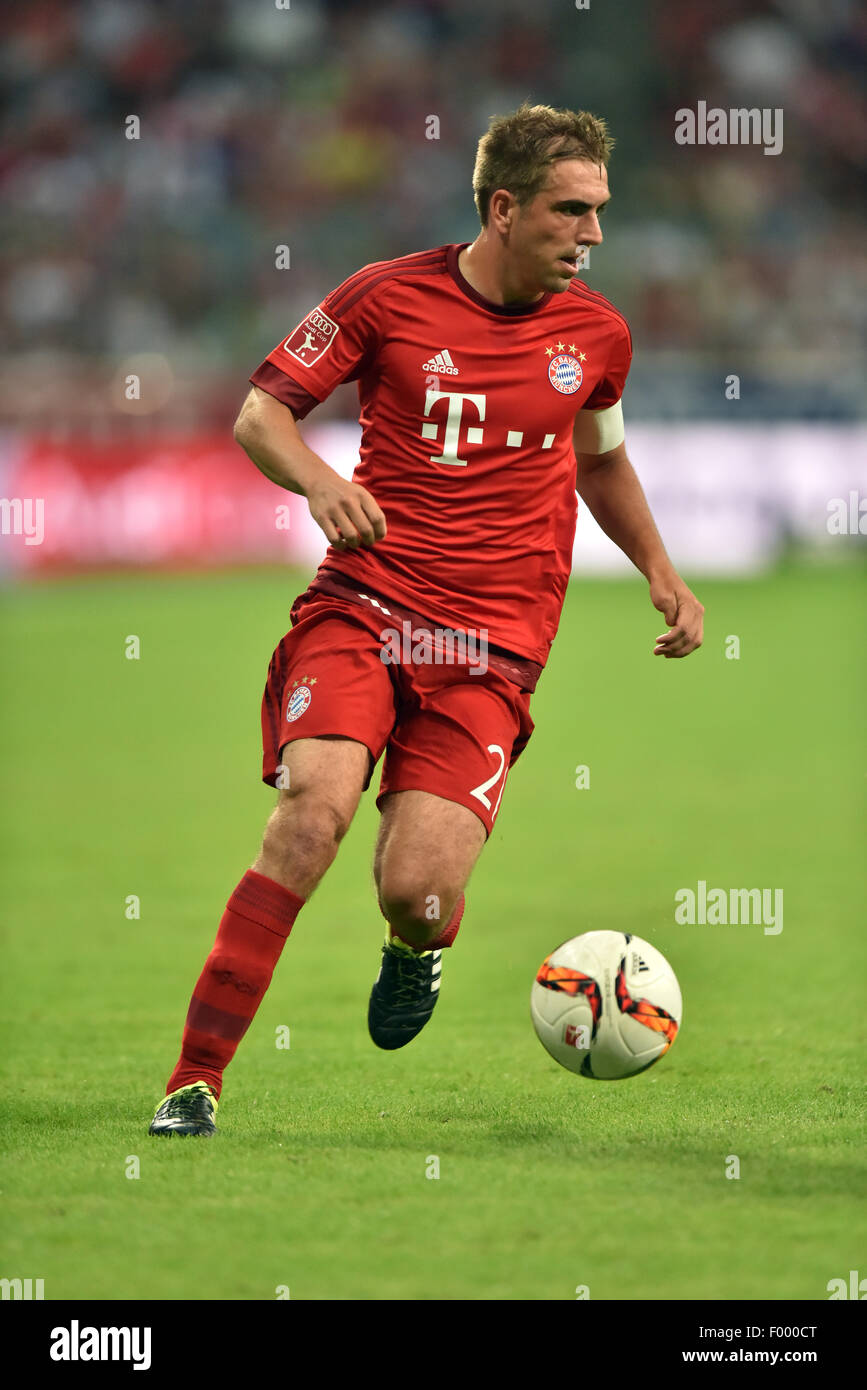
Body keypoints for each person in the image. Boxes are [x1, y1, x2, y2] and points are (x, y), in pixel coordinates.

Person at [148, 102, 704, 1137]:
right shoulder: (387, 296)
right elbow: (260, 413)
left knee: (416, 890)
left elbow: (601, 456)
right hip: (366, 607)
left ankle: (417, 950)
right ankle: (195, 1081)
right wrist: (319, 483)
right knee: (312, 813)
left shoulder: (597, 337)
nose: (592, 237)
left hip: (491, 650)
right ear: (502, 208)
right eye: (570, 212)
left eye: (599, 213)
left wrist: (662, 571)